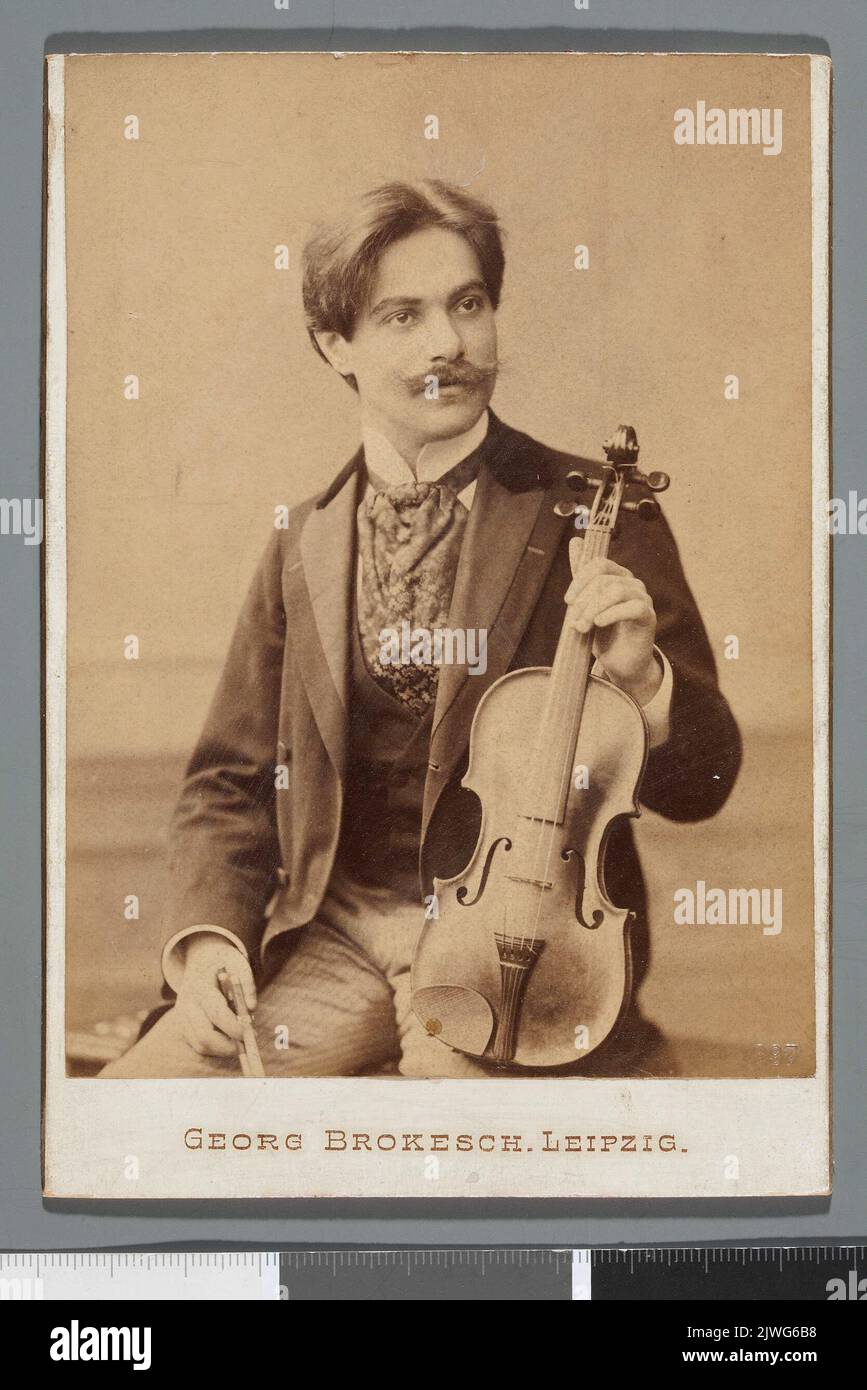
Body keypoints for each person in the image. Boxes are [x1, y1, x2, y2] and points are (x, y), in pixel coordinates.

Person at [101, 179, 741, 1080]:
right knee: (145, 1099)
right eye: (402, 316)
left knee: (444, 1143)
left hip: (518, 943)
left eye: (467, 305)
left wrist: (645, 686)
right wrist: (207, 941)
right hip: (337, 932)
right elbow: (228, 781)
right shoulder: (304, 540)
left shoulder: (593, 511)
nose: (448, 343)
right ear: (336, 346)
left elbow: (700, 784)